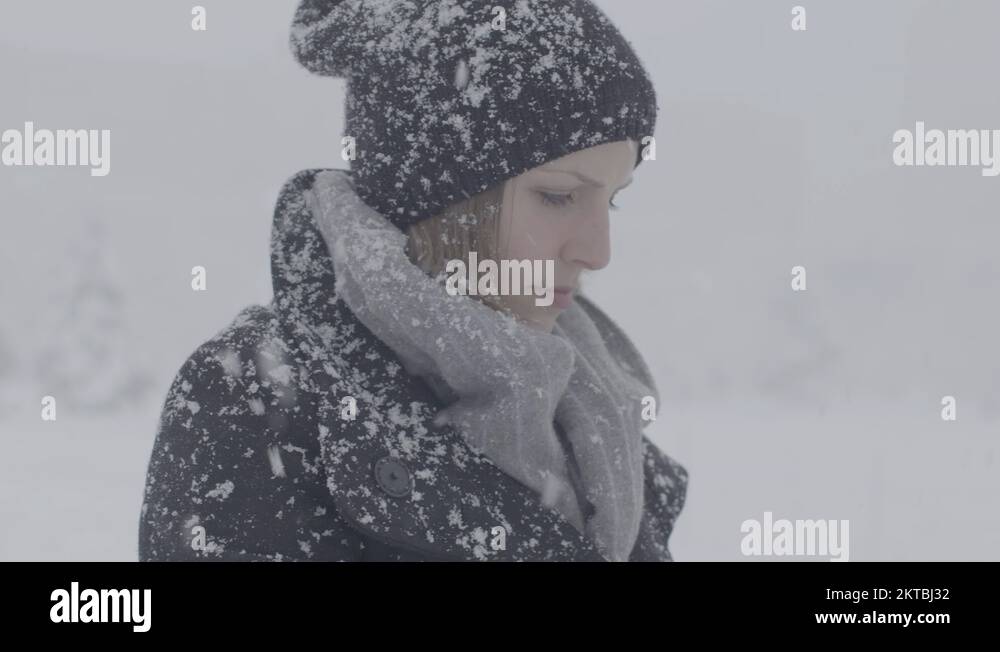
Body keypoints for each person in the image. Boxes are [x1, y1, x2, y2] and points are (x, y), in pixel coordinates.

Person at [138, 0, 688, 562]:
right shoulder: (255, 399)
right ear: (445, 199)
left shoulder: (597, 417)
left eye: (611, 202)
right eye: (559, 196)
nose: (598, 251)